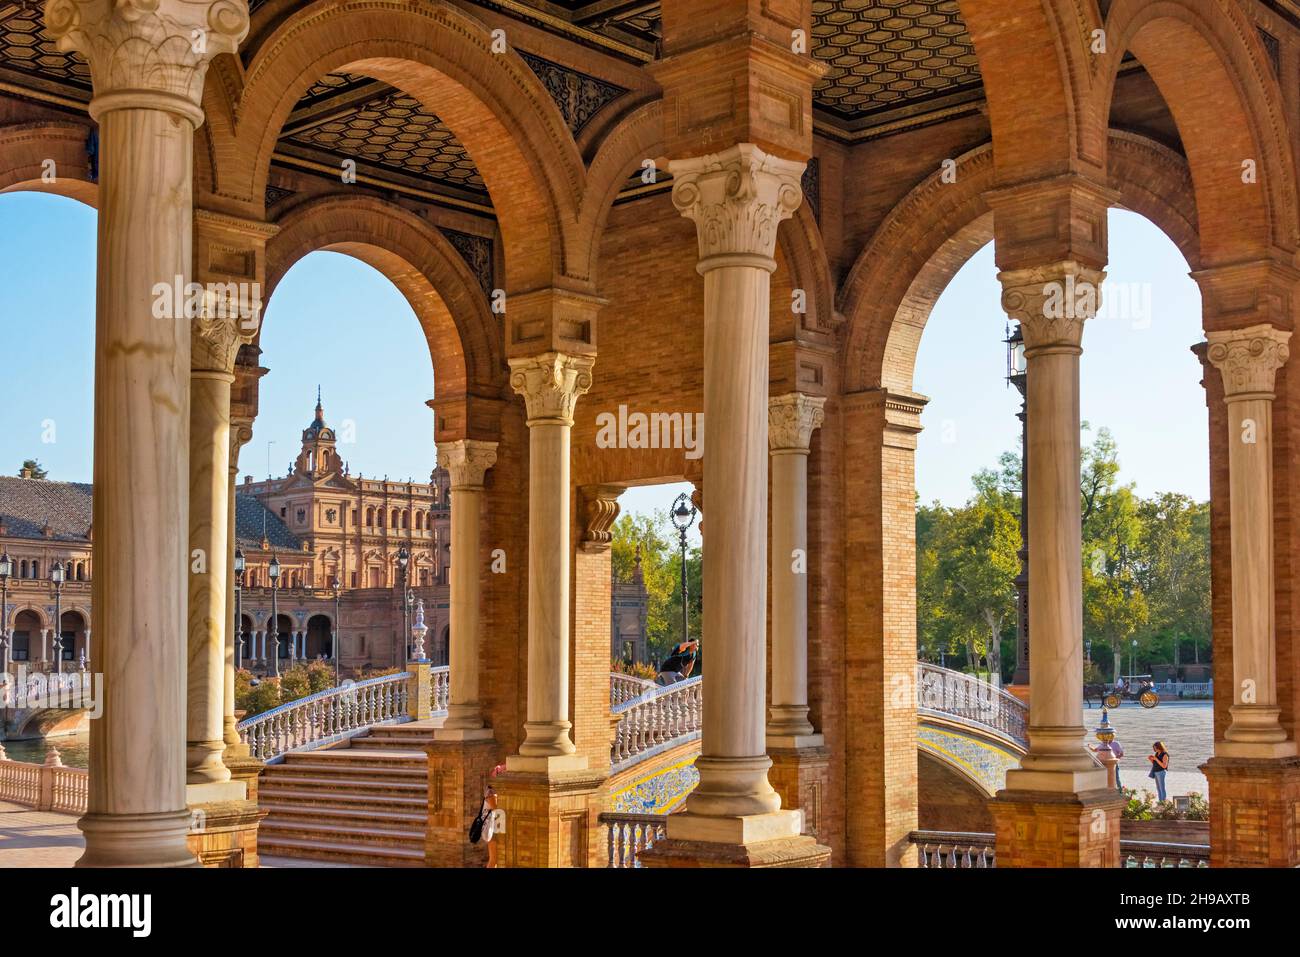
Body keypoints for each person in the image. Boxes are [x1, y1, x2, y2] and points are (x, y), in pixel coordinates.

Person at [483, 763, 507, 868]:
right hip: (492, 828)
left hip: (498, 827)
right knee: (494, 860)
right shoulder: (491, 791)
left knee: (497, 860)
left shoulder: (498, 790)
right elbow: (497, 809)